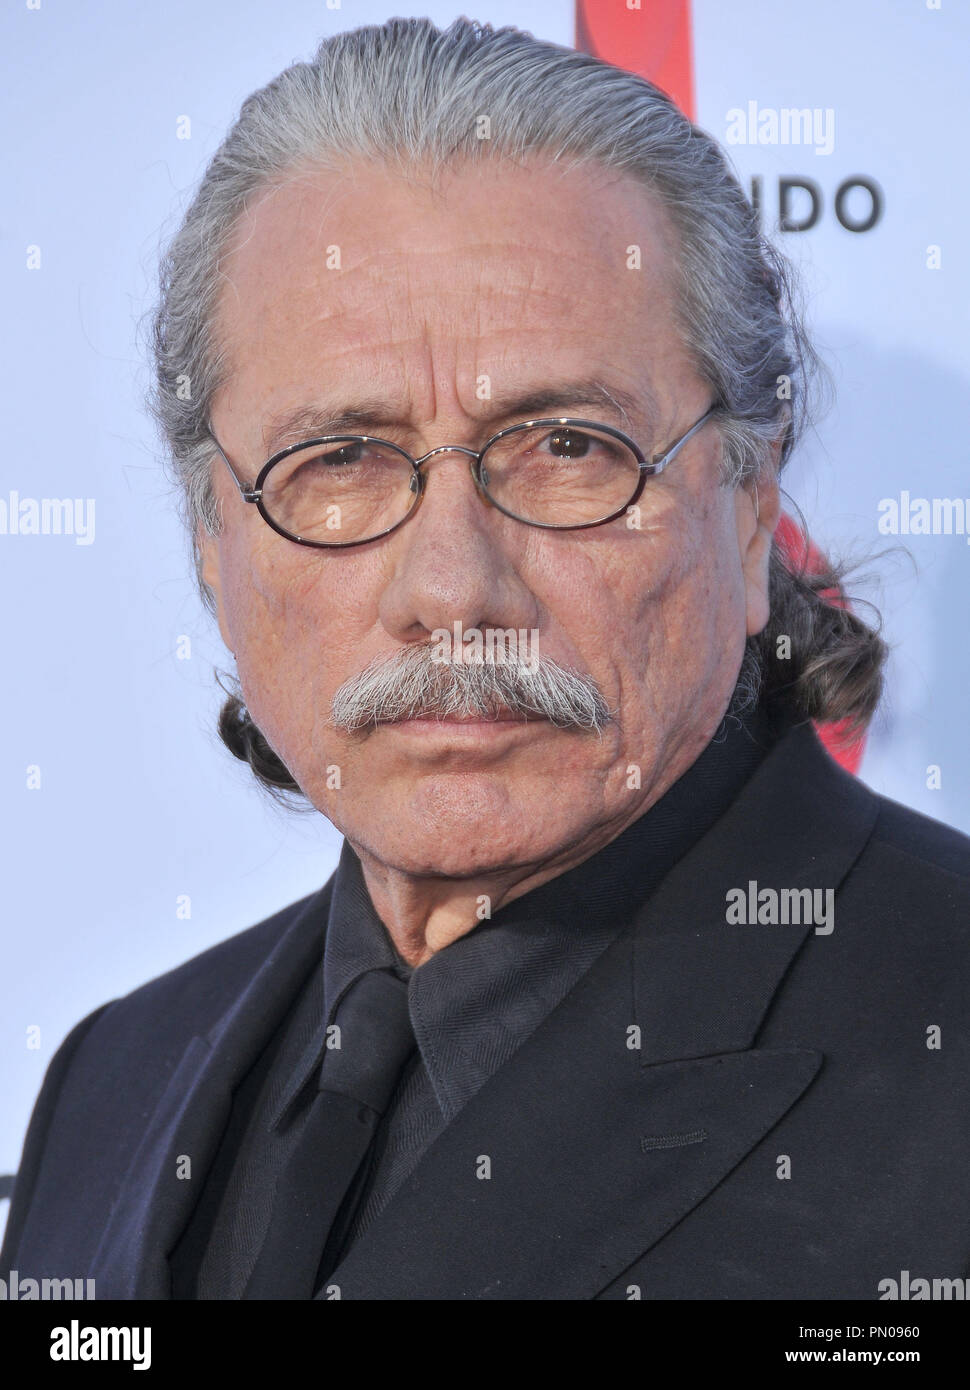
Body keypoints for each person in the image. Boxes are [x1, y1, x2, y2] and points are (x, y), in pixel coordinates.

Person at [3, 17, 968, 1302]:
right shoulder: (114, 1084)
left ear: (746, 510)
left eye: (566, 447)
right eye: (336, 460)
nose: (453, 589)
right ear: (211, 545)